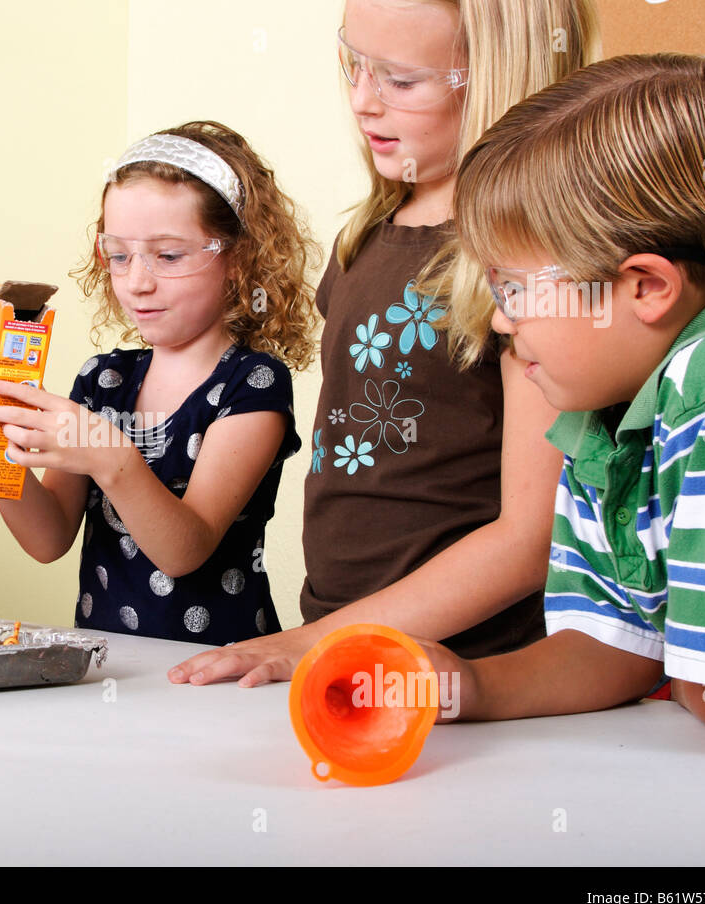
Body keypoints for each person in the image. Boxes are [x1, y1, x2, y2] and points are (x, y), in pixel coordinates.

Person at [171, 0, 601, 685]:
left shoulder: (524, 264)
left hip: (468, 671)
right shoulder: (365, 235)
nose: (363, 102)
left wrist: (311, 642)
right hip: (344, 644)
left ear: (497, 78)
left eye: (400, 82)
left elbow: (528, 539)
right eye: (353, 64)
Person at [420, 53, 705, 741]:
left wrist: (695, 685)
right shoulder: (598, 411)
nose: (499, 320)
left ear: (645, 288)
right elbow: (618, 647)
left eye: (514, 289)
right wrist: (470, 683)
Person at [0, 121, 321, 643]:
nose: (137, 281)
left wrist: (106, 454)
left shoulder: (254, 384)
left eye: (169, 255)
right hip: (116, 672)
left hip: (221, 679)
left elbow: (184, 550)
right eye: (118, 255)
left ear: (238, 258)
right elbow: (48, 539)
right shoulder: (104, 380)